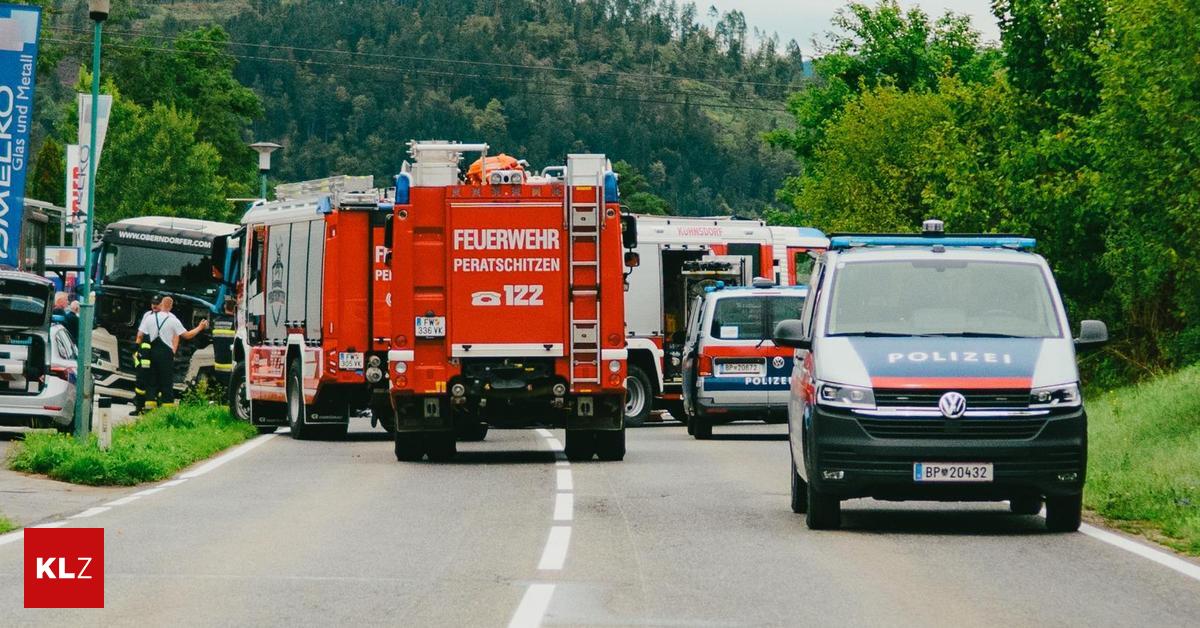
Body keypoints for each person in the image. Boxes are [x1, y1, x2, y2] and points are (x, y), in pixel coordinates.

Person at [136, 296, 207, 409]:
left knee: (151, 381)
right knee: (166, 382)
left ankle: (149, 409)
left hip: (151, 352)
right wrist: (200, 327)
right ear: (171, 307)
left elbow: (140, 336)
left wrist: (138, 351)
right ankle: (167, 410)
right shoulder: (173, 320)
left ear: (161, 304)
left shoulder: (149, 318)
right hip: (166, 354)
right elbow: (187, 335)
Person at [131, 296, 162, 413]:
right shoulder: (147, 315)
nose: (154, 305)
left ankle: (153, 408)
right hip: (145, 354)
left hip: (157, 353)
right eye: (153, 303)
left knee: (155, 380)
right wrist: (136, 346)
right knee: (141, 380)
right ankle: (139, 407)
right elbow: (141, 333)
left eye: (157, 303)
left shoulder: (166, 317)